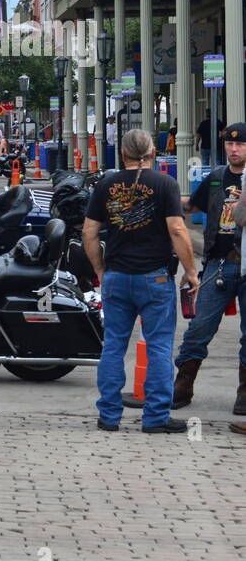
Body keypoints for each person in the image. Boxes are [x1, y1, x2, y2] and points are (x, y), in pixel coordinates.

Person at [83, 129, 198, 433]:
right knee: (159, 347)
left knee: (113, 346)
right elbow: (177, 230)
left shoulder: (107, 184)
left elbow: (89, 232)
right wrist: (190, 271)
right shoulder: (165, 184)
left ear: (123, 154)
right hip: (155, 278)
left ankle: (108, 416)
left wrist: (99, 270)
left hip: (117, 277)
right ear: (152, 153)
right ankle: (156, 418)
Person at [171, 122, 246, 415]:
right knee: (199, 328)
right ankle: (183, 385)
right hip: (219, 264)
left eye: (240, 145)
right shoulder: (216, 178)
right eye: (230, 144)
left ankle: (243, 394)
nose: (235, 149)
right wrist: (164, 200)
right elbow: (192, 205)